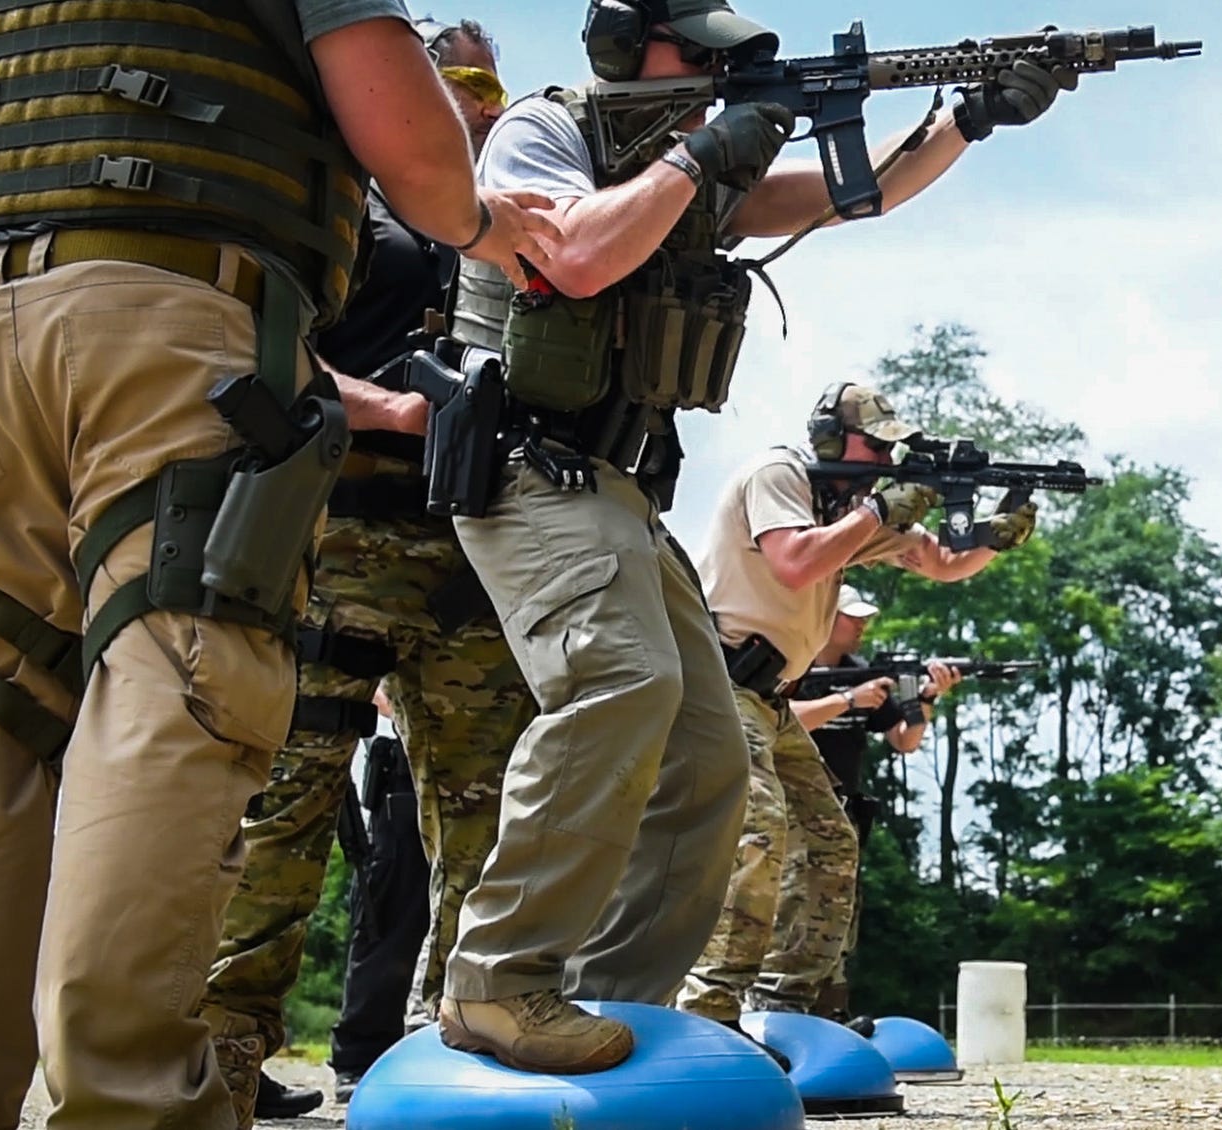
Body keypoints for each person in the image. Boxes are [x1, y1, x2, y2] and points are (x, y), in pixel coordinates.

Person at [0, 1, 550, 1126]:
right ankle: (126, 1105)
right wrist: (488, 221)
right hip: (177, 307)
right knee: (178, 686)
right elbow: (407, 138)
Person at [436, 0, 1071, 1076]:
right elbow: (575, 256)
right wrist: (702, 150)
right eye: (702, 55)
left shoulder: (682, 181)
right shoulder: (543, 132)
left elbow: (844, 194)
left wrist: (967, 118)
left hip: (620, 483)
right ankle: (497, 979)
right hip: (525, 462)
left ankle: (614, 1003)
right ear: (623, 50)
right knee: (620, 683)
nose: (720, 77)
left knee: (707, 755)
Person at [196, 17, 538, 1125]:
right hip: (335, 534)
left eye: (492, 86)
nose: (479, 106)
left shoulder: (505, 227)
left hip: (475, 550)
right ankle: (224, 1062)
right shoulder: (345, 202)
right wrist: (398, 405)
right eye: (456, 85)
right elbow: (256, 353)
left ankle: (456, 1062)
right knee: (283, 808)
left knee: (485, 816)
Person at [679, 382, 1033, 1029]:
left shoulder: (849, 511)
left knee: (830, 840)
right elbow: (793, 562)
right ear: (829, 440)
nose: (881, 464)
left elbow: (942, 563)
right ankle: (706, 1012)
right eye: (874, 448)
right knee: (758, 834)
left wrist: (998, 534)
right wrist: (881, 513)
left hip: (771, 699)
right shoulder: (778, 474)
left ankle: (782, 1007)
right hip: (716, 684)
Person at [787, 586, 960, 1025]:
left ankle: (831, 1009)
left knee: (839, 913)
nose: (861, 626)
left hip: (842, 809)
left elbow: (905, 741)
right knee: (786, 907)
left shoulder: (861, 672)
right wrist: (847, 701)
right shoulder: (790, 662)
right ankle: (779, 1005)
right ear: (825, 614)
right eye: (851, 617)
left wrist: (925, 699)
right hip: (788, 805)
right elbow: (777, 716)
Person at [328, 690, 432, 1104]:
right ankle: (362, 1057)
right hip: (404, 760)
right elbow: (377, 691)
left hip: (481, 754)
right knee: (385, 918)